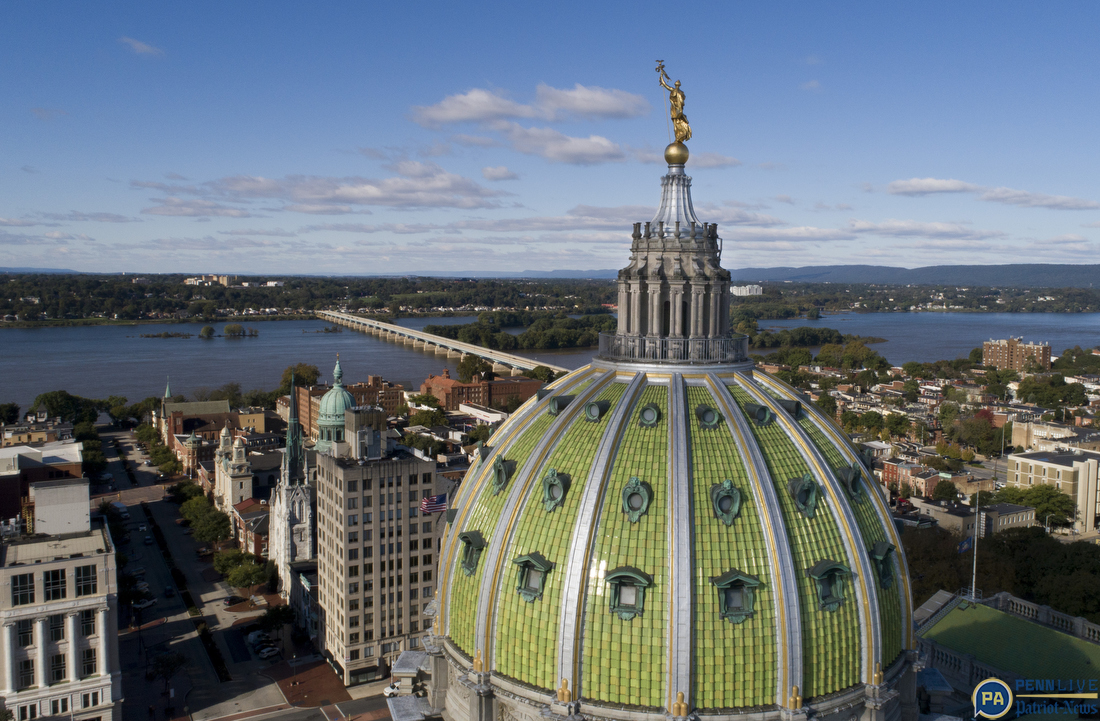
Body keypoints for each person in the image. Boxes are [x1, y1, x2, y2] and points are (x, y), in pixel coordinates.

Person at [657, 63, 692, 143]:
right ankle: (677, 136)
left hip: (676, 109)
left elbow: (666, 86)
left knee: (677, 123)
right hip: (674, 108)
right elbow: (665, 85)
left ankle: (679, 135)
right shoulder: (678, 91)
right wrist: (662, 76)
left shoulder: (677, 92)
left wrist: (662, 77)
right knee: (675, 123)